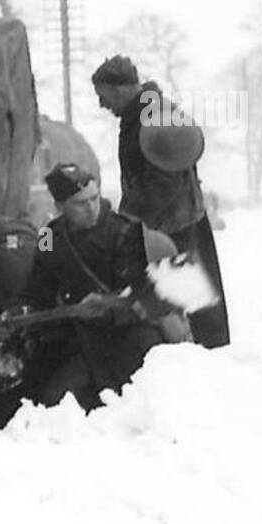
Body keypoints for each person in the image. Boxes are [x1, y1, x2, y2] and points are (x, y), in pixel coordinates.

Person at [0, 163, 174, 434]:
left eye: (95, 198)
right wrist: (14, 315)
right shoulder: (49, 236)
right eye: (80, 203)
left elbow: (154, 298)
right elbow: (36, 290)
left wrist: (108, 308)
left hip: (127, 343)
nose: (92, 207)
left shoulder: (128, 233)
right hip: (78, 343)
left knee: (71, 404)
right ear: (60, 207)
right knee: (6, 413)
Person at [91, 55, 229, 347]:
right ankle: (196, 354)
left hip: (175, 224)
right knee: (182, 298)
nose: (103, 105)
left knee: (193, 299)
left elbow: (164, 182)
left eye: (103, 96)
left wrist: (128, 218)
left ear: (119, 89)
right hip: (166, 223)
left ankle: (208, 360)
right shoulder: (141, 116)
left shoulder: (156, 116)